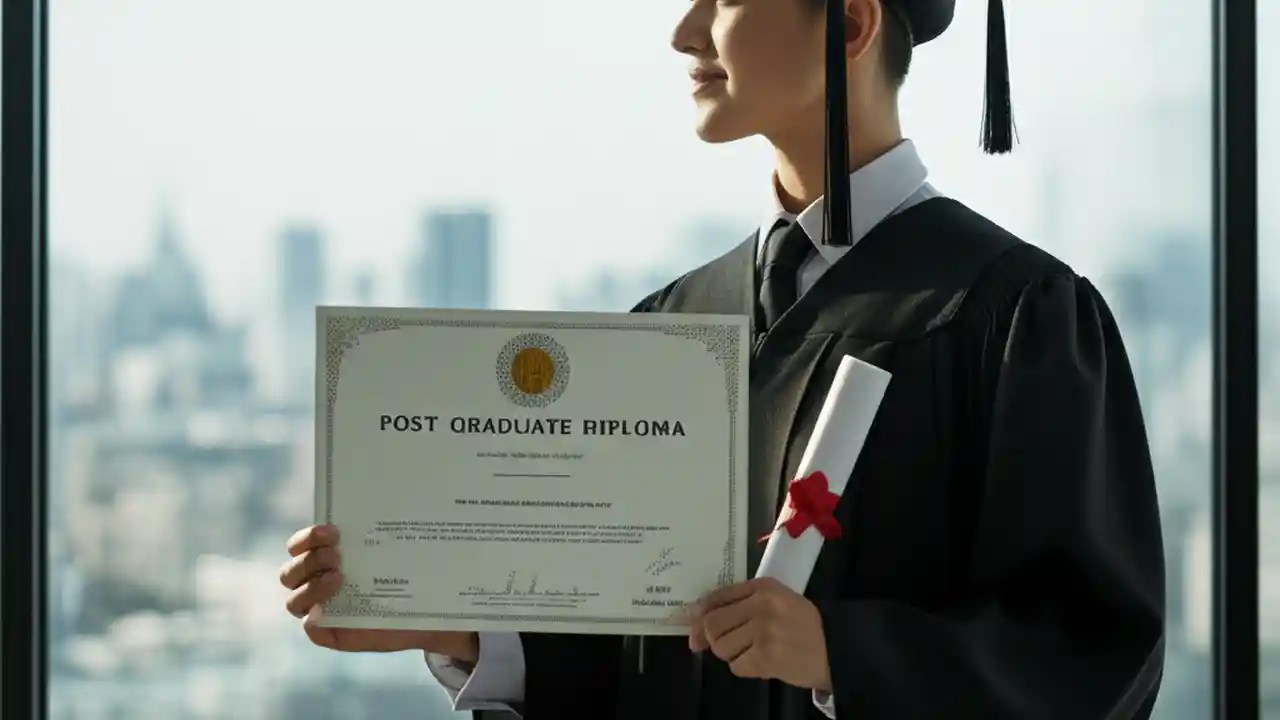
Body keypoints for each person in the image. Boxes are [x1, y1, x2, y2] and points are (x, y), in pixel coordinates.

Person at [279, 0, 1166, 717]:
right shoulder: (674, 326)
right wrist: (458, 629)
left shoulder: (1014, 313)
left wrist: (840, 655)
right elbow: (638, 651)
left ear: (850, 24)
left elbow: (1092, 655)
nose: (684, 32)